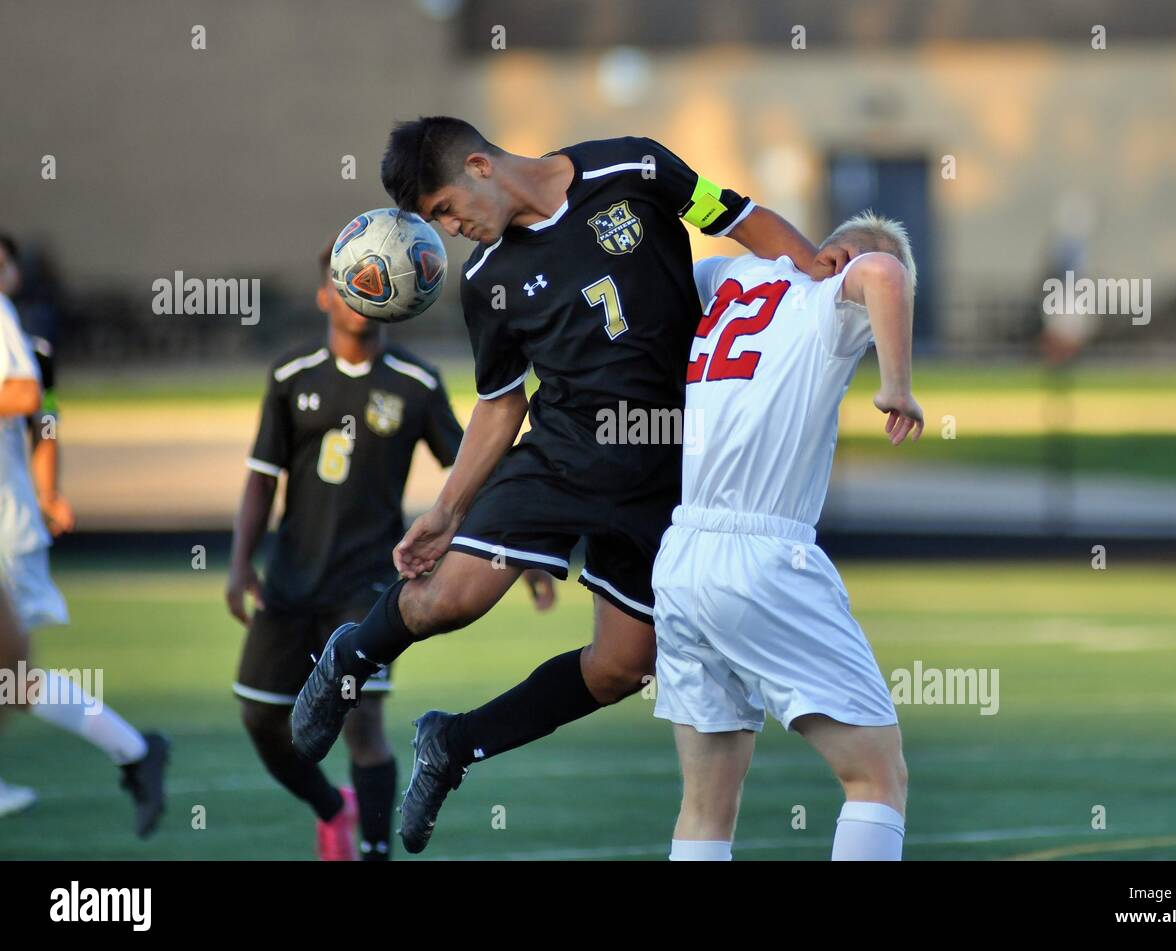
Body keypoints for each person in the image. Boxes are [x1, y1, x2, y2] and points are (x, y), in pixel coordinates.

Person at [291, 116, 829, 853]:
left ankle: (454, 743)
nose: (451, 229)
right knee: (452, 597)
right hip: (562, 454)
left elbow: (740, 219)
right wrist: (447, 509)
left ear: (480, 164)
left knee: (621, 668)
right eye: (435, 222)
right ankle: (351, 657)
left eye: (446, 209)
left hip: (665, 471)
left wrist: (818, 276)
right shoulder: (487, 281)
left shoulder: (633, 169)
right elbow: (501, 400)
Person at [229, 244, 554, 860]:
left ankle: (374, 852)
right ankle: (333, 809)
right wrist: (241, 561)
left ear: (394, 297)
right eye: (347, 280)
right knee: (260, 720)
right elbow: (260, 477)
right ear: (328, 293)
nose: (360, 292)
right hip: (291, 578)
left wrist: (527, 556)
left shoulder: (415, 383)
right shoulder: (290, 375)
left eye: (376, 280)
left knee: (363, 723)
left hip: (371, 583)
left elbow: (473, 468)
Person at [652, 211, 923, 860]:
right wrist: (898, 386)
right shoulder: (832, 291)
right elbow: (884, 273)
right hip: (765, 554)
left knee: (706, 804)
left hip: (683, 556)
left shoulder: (733, 275)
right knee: (877, 775)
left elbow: (660, 285)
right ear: (843, 256)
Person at [0, 233, 168, 835]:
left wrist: (45, 492)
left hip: (5, 527)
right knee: (10, 680)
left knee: (12, 677)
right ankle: (135, 751)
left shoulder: (7, 320)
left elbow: (28, 400)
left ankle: (136, 751)